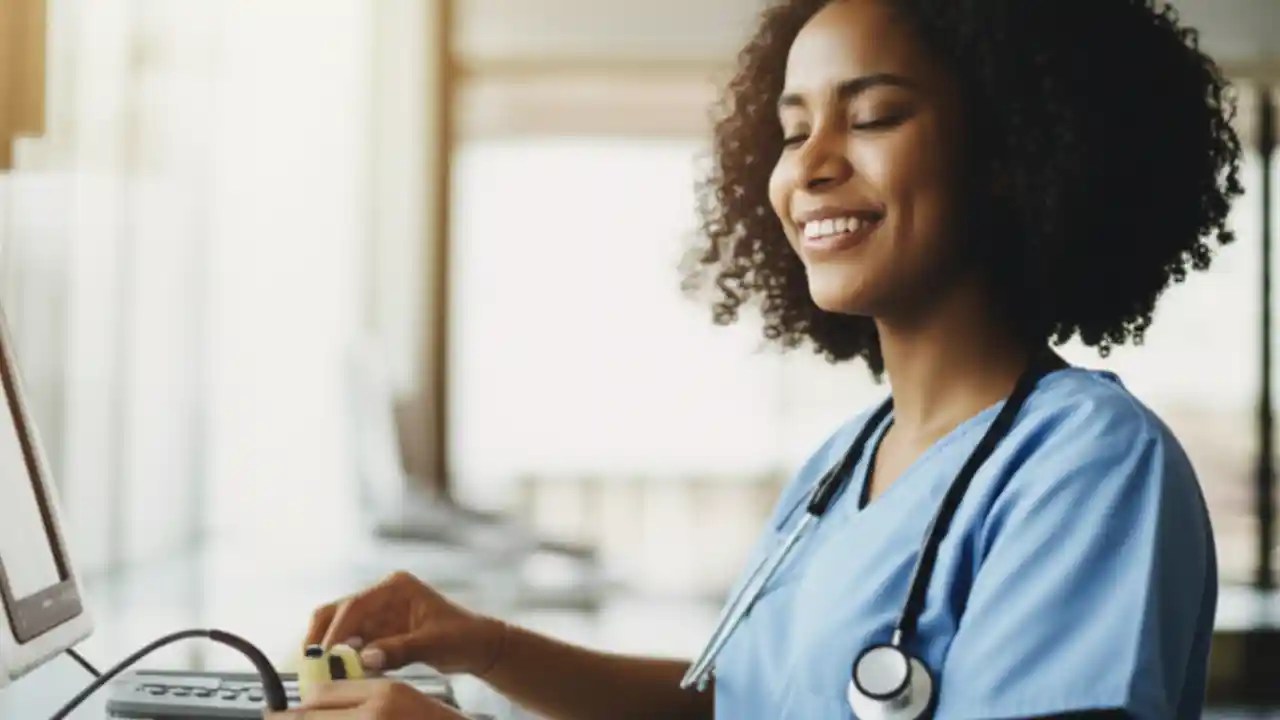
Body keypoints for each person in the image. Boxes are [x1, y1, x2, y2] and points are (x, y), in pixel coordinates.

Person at [266, 0, 1242, 717]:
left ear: (1009, 154)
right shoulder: (840, 465)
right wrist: (484, 647)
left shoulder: (1089, 465)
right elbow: (736, 707)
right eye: (789, 129)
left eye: (870, 118)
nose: (809, 164)